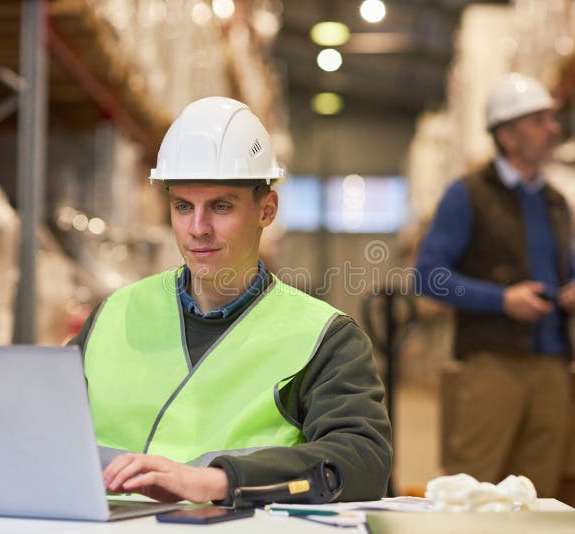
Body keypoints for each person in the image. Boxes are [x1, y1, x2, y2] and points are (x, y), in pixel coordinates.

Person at [70, 97, 392, 505]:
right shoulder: (112, 315)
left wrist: (221, 482)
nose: (198, 229)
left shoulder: (324, 338)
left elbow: (363, 462)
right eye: (182, 207)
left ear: (267, 210)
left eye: (221, 207)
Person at [415, 73, 575, 496]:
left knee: (538, 492)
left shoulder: (556, 202)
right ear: (509, 136)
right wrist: (502, 300)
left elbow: (567, 269)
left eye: (552, 118)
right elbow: (428, 276)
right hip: (494, 364)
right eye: (540, 120)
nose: (553, 129)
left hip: (553, 365)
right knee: (473, 486)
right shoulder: (469, 196)